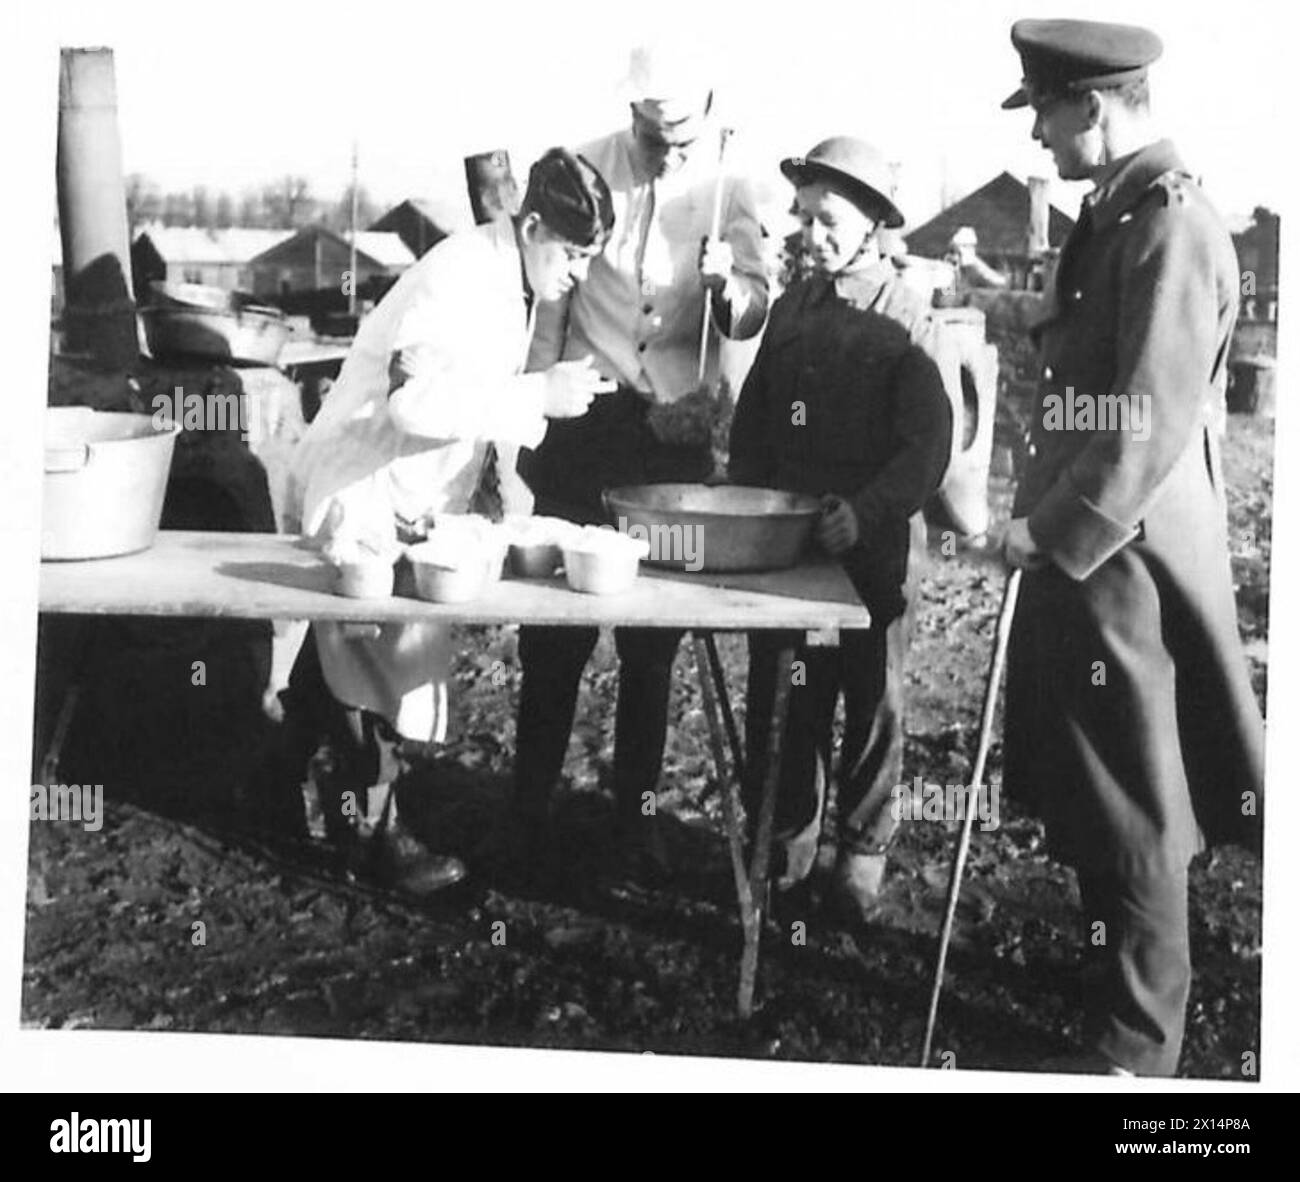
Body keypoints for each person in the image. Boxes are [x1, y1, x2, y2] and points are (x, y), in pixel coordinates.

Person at [997, 18, 1264, 1075]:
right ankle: (1111, 973)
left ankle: (1136, 1044)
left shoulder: (1170, 222)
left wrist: (1047, 531)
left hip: (1128, 560)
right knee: (1095, 779)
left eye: (1046, 117)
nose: (1040, 142)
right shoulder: (1116, 214)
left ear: (1092, 107)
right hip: (1095, 552)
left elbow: (1143, 421)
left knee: (1142, 796)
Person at [274, 148, 617, 894]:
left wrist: (494, 479)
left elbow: (465, 392)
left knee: (344, 652)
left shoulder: (509, 275)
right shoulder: (458, 274)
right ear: (530, 225)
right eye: (573, 252)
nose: (579, 272)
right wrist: (534, 398)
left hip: (407, 491)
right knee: (383, 653)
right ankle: (375, 833)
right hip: (359, 485)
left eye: (590, 256)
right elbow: (411, 403)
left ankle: (271, 782)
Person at [511, 56, 769, 878]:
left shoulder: (731, 186)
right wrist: (526, 417)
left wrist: (731, 293)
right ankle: (526, 808)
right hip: (583, 421)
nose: (667, 155)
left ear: (709, 114)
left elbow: (757, 303)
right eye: (653, 138)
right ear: (631, 115)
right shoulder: (587, 170)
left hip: (673, 435)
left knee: (653, 641)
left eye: (681, 139)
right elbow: (552, 301)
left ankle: (635, 818)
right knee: (554, 630)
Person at [728, 137, 952, 920]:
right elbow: (757, 417)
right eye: (804, 216)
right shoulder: (792, 309)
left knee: (873, 700)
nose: (809, 233)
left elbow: (929, 444)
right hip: (790, 545)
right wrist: (744, 511)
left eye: (827, 220)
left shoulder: (908, 316)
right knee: (788, 692)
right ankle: (786, 841)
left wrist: (867, 511)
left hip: (874, 546)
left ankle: (860, 853)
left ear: (871, 224)